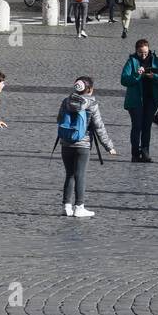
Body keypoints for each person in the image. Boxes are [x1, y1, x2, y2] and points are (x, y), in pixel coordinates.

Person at [56, 76, 117, 218]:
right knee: (80, 175)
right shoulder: (92, 103)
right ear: (90, 89)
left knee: (69, 174)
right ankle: (79, 206)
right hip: (82, 144)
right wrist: (109, 146)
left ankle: (66, 206)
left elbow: (59, 119)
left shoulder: (66, 101)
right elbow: (99, 126)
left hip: (65, 142)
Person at [121, 39, 158, 162]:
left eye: (146, 52)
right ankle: (135, 153)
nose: (144, 55)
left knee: (147, 126)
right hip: (136, 100)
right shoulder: (132, 61)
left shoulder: (154, 59)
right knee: (137, 126)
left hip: (151, 99)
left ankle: (145, 152)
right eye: (141, 53)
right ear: (136, 51)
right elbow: (124, 80)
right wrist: (137, 75)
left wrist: (154, 76)